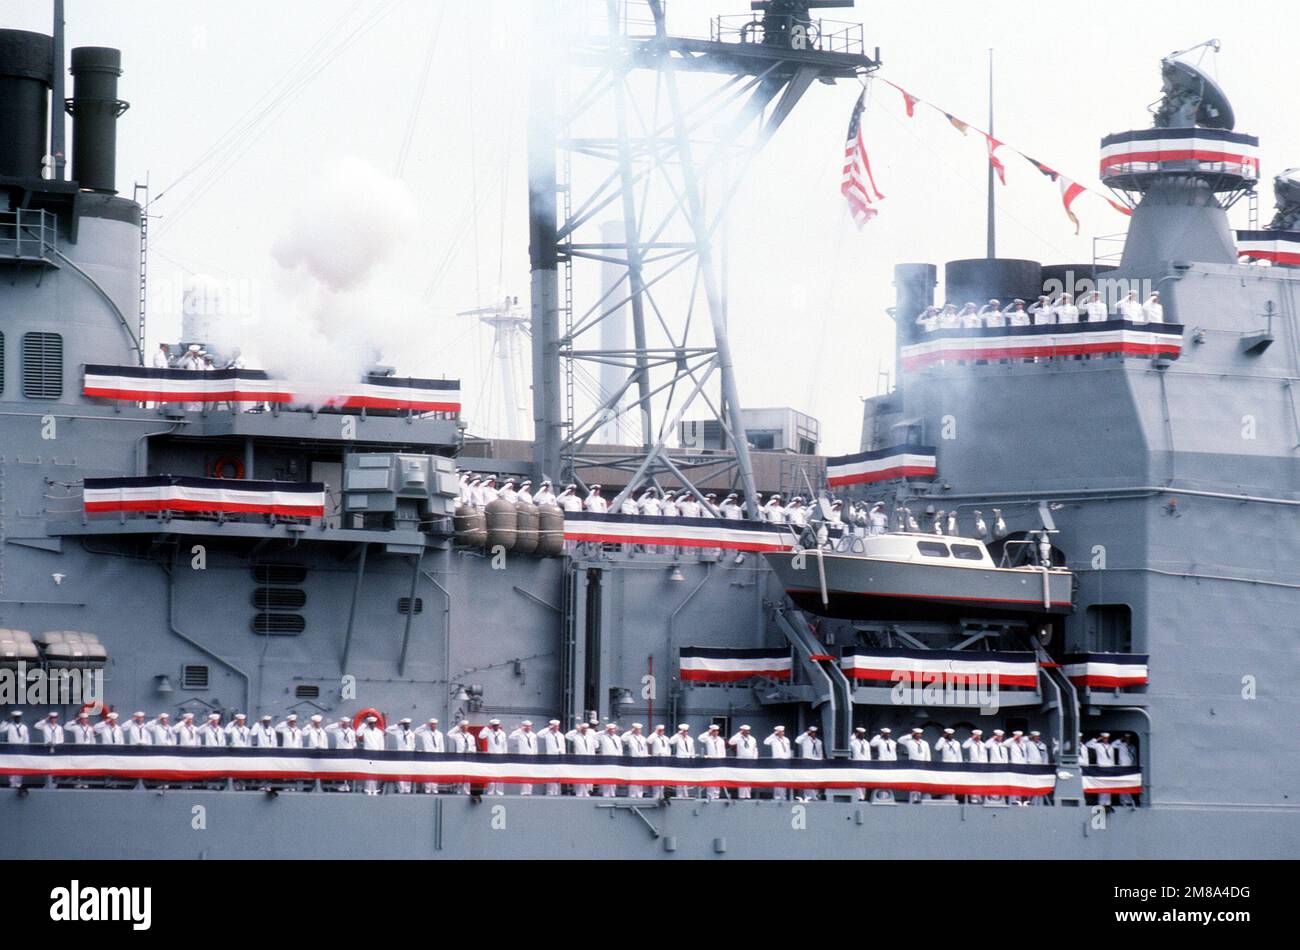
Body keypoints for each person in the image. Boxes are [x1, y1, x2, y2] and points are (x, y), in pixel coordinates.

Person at [565, 721, 598, 797]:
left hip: (589, 759)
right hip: (579, 759)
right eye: (583, 728)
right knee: (579, 776)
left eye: (586, 729)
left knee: (588, 776)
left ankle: (586, 791)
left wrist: (594, 737)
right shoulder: (576, 736)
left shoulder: (590, 737)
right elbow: (567, 736)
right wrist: (576, 730)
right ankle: (579, 792)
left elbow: (596, 746)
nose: (584, 730)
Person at [900, 727, 931, 803]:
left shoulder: (925, 743)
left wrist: (927, 764)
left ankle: (918, 799)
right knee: (913, 782)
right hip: (913, 764)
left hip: (922, 764)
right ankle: (912, 799)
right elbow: (900, 740)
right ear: (914, 734)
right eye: (916, 734)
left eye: (920, 734)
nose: (918, 735)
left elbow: (927, 754)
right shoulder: (909, 742)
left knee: (920, 782)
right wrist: (910, 735)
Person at [413, 718, 443, 795]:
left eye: (435, 724)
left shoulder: (439, 734)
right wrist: (424, 726)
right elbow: (416, 731)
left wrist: (441, 756)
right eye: (432, 724)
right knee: (427, 772)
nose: (434, 726)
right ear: (430, 725)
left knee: (435, 772)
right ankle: (428, 789)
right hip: (427, 755)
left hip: (436, 755)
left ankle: (435, 788)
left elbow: (441, 746)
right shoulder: (424, 733)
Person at [728, 725, 758, 800]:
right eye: (745, 731)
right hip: (741, 760)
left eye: (748, 731)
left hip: (750, 760)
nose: (747, 732)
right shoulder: (738, 738)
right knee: (742, 778)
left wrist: (754, 759)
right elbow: (730, 742)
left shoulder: (752, 739)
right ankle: (741, 795)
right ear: (742, 731)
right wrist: (738, 734)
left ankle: (747, 795)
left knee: (748, 778)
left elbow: (755, 749)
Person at [387, 718, 417, 794]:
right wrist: (397, 724)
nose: (407, 725)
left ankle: (407, 789)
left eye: (408, 724)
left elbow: (413, 745)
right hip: (400, 755)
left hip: (409, 755)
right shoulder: (398, 732)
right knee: (401, 772)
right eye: (405, 724)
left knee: (408, 772)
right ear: (403, 725)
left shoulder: (412, 734)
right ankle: (401, 789)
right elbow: (387, 729)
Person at [698, 724, 727, 801]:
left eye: (717, 731)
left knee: (717, 778)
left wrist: (723, 761)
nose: (715, 732)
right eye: (714, 731)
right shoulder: (708, 739)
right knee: (710, 778)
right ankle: (710, 795)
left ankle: (717, 795)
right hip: (710, 760)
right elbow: (700, 738)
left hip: (719, 761)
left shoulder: (721, 740)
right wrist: (708, 732)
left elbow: (723, 751)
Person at [479, 719, 508, 796]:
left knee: (500, 774)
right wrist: (487, 728)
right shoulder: (488, 732)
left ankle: (500, 792)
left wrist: (505, 755)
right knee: (491, 774)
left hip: (500, 755)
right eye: (494, 725)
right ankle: (490, 792)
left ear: (499, 725)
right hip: (491, 755)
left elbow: (504, 745)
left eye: (497, 725)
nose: (496, 727)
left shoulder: (503, 733)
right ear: (492, 726)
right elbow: (481, 736)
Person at [795, 725, 824, 801]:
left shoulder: (819, 742)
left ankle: (816, 796)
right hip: (807, 760)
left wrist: (820, 761)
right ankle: (808, 796)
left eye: (814, 732)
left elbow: (820, 753)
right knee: (807, 779)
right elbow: (797, 741)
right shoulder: (805, 739)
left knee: (815, 779)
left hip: (815, 761)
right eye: (811, 732)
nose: (813, 734)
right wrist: (806, 734)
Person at [508, 720, 537, 796]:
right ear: (523, 726)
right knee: (524, 774)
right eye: (526, 726)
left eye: (529, 726)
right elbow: (510, 736)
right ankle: (523, 792)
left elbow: (535, 746)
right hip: (523, 756)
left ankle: (529, 792)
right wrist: (519, 729)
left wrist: (535, 756)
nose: (528, 727)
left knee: (530, 774)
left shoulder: (533, 735)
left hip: (531, 756)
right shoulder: (519, 734)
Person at [1086, 732, 1116, 807]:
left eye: (1107, 738)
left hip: (1109, 767)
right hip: (1101, 767)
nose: (1106, 739)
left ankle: (1108, 803)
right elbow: (1088, 744)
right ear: (1102, 738)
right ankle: (1101, 803)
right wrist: (1097, 739)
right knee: (1102, 785)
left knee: (1108, 786)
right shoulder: (1098, 746)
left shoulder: (1111, 746)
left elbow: (1112, 757)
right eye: (1104, 738)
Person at [359, 716, 386, 796]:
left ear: (375, 724)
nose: (372, 725)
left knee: (375, 772)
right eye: (370, 724)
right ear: (368, 724)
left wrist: (381, 754)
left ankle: (374, 789)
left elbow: (381, 744)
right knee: (368, 772)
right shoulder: (365, 731)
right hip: (368, 754)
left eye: (373, 723)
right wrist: (363, 724)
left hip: (376, 754)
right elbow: (358, 733)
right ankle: (367, 789)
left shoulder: (379, 732)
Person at [869, 728, 897, 803]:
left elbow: (894, 753)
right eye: (885, 733)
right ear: (883, 734)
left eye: (888, 733)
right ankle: (881, 797)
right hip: (882, 763)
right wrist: (879, 736)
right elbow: (872, 743)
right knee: (881, 781)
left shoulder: (893, 743)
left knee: (889, 781)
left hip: (890, 764)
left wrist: (895, 763)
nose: (887, 735)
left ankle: (888, 797)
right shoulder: (879, 741)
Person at [448, 722, 477, 795]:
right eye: (463, 726)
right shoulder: (457, 736)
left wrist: (473, 753)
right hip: (460, 756)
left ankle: (467, 791)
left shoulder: (471, 736)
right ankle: (459, 791)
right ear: (461, 727)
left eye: (466, 726)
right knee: (460, 774)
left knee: (467, 774)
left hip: (468, 756)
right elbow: (449, 734)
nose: (465, 727)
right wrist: (457, 727)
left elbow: (473, 746)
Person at [764, 725, 792, 801]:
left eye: (782, 731)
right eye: (780, 732)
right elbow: (766, 742)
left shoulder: (786, 740)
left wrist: (788, 759)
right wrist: (773, 735)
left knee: (784, 779)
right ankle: (777, 796)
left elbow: (788, 750)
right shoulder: (773, 739)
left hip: (785, 760)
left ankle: (784, 796)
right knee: (777, 778)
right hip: (777, 760)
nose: (782, 733)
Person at [2, 711, 30, 788]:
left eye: (18, 717)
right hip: (11, 748)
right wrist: (5, 721)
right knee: (11, 766)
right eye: (16, 717)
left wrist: (25, 748)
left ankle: (18, 783)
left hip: (20, 748)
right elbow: (0, 729)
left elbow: (26, 738)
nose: (17, 718)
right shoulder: (9, 726)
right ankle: (12, 784)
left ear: (20, 718)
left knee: (19, 766)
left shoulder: (24, 727)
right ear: (13, 718)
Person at [596, 723, 624, 798]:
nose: (612, 731)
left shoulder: (617, 738)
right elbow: (595, 736)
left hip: (615, 759)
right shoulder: (603, 737)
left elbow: (620, 749)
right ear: (608, 730)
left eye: (613, 729)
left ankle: (612, 793)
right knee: (606, 777)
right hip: (606, 759)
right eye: (610, 729)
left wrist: (620, 759)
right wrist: (604, 731)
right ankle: (606, 794)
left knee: (614, 777)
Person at [621, 723, 648, 799]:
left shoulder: (643, 738)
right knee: (632, 778)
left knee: (640, 778)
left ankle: (639, 794)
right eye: (637, 729)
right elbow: (623, 739)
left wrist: (645, 759)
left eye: (639, 729)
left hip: (641, 759)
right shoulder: (630, 737)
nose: (638, 731)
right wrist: (630, 732)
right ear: (634, 730)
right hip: (633, 759)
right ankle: (632, 795)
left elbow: (645, 749)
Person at [934, 727, 962, 801]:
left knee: (953, 781)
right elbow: (937, 748)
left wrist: (960, 765)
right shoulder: (942, 742)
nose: (950, 736)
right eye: (948, 734)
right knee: (945, 780)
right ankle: (945, 796)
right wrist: (942, 738)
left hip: (954, 764)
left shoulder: (957, 743)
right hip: (945, 764)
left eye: (951, 734)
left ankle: (952, 796)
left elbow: (959, 754)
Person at [539, 720, 566, 797]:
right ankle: (550, 792)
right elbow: (539, 734)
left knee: (558, 775)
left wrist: (563, 756)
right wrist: (548, 728)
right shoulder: (547, 734)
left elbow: (563, 746)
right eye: (554, 726)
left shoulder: (561, 735)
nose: (556, 728)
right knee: (550, 775)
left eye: (557, 726)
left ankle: (557, 792)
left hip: (559, 757)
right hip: (551, 757)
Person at [668, 724, 695, 799]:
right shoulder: (678, 738)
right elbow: (670, 742)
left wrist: (692, 758)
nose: (685, 733)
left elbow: (692, 750)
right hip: (680, 759)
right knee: (679, 777)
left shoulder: (690, 739)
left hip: (687, 759)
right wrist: (677, 734)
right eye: (684, 731)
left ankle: (686, 794)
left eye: (686, 731)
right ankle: (679, 795)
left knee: (686, 777)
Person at [1112, 733, 1138, 807]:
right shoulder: (1121, 745)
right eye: (1126, 738)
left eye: (1128, 738)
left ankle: (1129, 800)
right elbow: (1113, 745)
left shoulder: (1133, 747)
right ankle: (1123, 800)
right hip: (1122, 766)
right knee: (1122, 783)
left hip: (1130, 767)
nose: (1127, 740)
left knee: (1128, 784)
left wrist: (1134, 767)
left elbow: (1134, 757)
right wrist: (1120, 739)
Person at [646, 724, 672, 799]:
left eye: (662, 730)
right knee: (656, 778)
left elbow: (668, 748)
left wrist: (668, 756)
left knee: (662, 779)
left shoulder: (666, 738)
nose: (661, 732)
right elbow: (648, 741)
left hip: (664, 759)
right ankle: (656, 796)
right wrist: (655, 733)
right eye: (660, 730)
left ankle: (661, 795)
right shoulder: (654, 738)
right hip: (656, 759)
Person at [1005, 730, 1030, 805]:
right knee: (1015, 783)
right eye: (1017, 737)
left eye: (1020, 737)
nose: (1019, 738)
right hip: (1015, 766)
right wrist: (1013, 738)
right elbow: (1005, 744)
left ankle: (1024, 800)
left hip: (1024, 766)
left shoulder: (1024, 743)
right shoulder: (1012, 744)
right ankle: (1014, 799)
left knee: (1024, 783)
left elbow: (1028, 738)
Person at [984, 729, 1008, 804]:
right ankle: (992, 797)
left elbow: (1005, 756)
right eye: (998, 736)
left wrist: (1006, 765)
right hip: (994, 766)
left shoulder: (1003, 745)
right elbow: (986, 745)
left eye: (1001, 736)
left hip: (1002, 766)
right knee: (993, 782)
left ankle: (999, 798)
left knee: (1000, 782)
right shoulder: (992, 744)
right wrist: (993, 738)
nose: (1000, 738)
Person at [963, 728, 987, 803]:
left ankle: (979, 797)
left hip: (982, 765)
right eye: (976, 736)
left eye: (979, 736)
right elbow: (964, 746)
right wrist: (972, 738)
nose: (978, 737)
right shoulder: (970, 743)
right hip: (973, 765)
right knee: (973, 781)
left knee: (981, 782)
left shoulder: (983, 745)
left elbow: (985, 755)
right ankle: (973, 797)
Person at [849, 727, 872, 801]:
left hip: (865, 763)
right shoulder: (853, 742)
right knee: (857, 779)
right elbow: (848, 741)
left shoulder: (866, 743)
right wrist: (853, 735)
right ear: (857, 733)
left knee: (864, 780)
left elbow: (868, 754)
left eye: (863, 733)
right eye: (860, 733)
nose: (862, 735)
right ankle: (859, 796)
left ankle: (863, 796)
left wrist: (869, 763)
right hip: (857, 762)